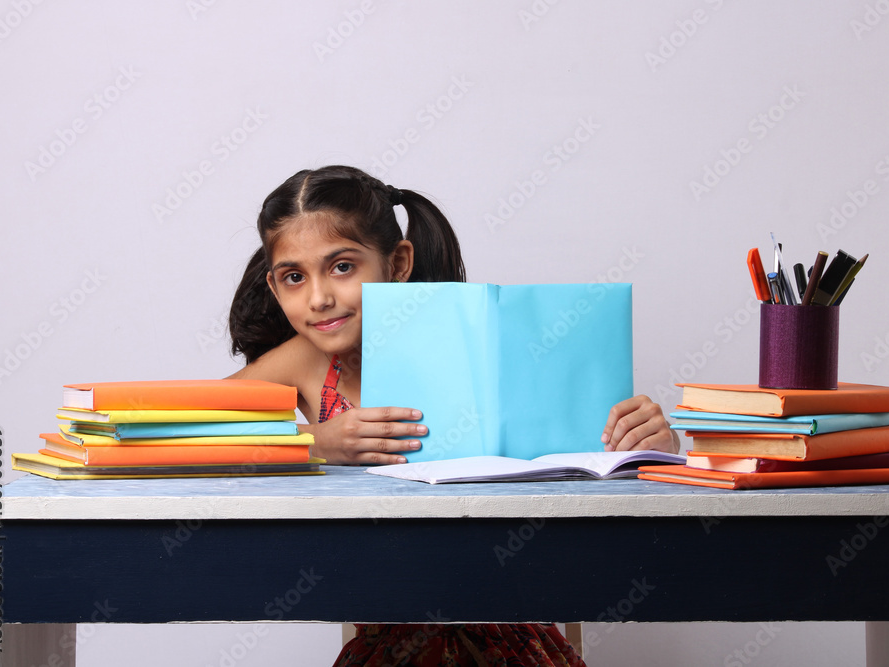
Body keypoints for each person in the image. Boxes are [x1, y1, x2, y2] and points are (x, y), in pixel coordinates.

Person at [227, 164, 679, 665]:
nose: (319, 297)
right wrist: (316, 442)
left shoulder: (486, 348)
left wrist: (655, 447)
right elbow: (175, 429)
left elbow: (595, 473)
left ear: (397, 264)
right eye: (295, 277)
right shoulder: (309, 364)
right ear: (274, 286)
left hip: (519, 646)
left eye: (342, 267)